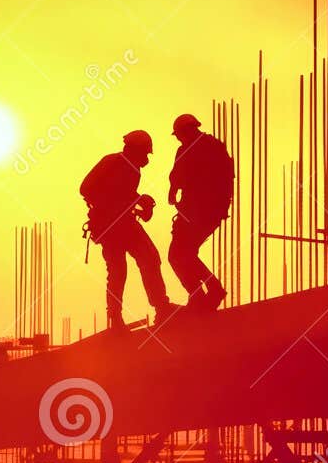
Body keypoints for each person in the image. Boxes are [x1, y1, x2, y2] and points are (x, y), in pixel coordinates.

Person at [81, 131, 180, 329]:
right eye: (145, 153)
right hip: (111, 226)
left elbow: (121, 194)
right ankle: (142, 312)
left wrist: (139, 202)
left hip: (120, 223)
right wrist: (136, 200)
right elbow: (90, 189)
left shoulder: (131, 168)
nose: (146, 159)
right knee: (131, 265)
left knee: (135, 264)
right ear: (135, 150)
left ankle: (153, 309)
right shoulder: (116, 163)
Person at [166, 113, 233, 312]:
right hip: (211, 211)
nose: (178, 138)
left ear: (185, 131)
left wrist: (174, 192)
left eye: (178, 134)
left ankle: (205, 293)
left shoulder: (193, 149)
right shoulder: (214, 146)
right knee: (185, 253)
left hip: (198, 212)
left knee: (177, 254)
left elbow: (179, 176)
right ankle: (208, 292)